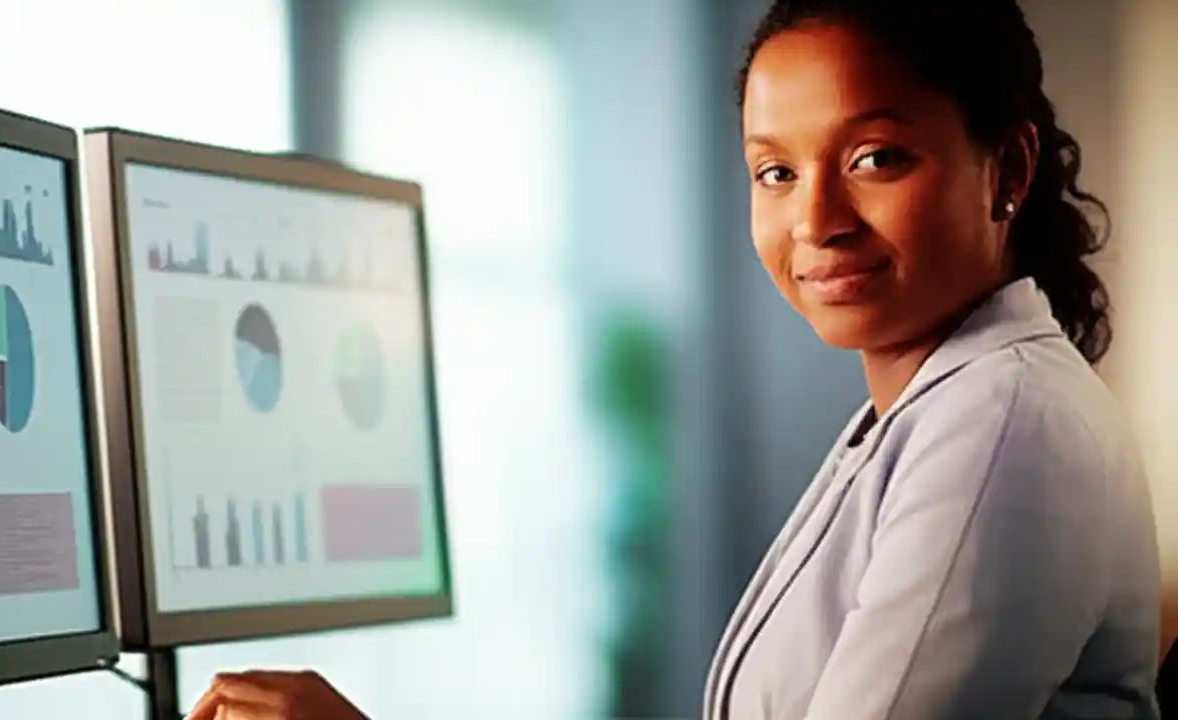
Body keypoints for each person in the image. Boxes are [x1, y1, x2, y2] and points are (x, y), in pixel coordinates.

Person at [186, 0, 1162, 718]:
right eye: (774, 172)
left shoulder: (998, 426)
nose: (813, 219)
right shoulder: (931, 411)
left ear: (1009, 170)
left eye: (873, 159)